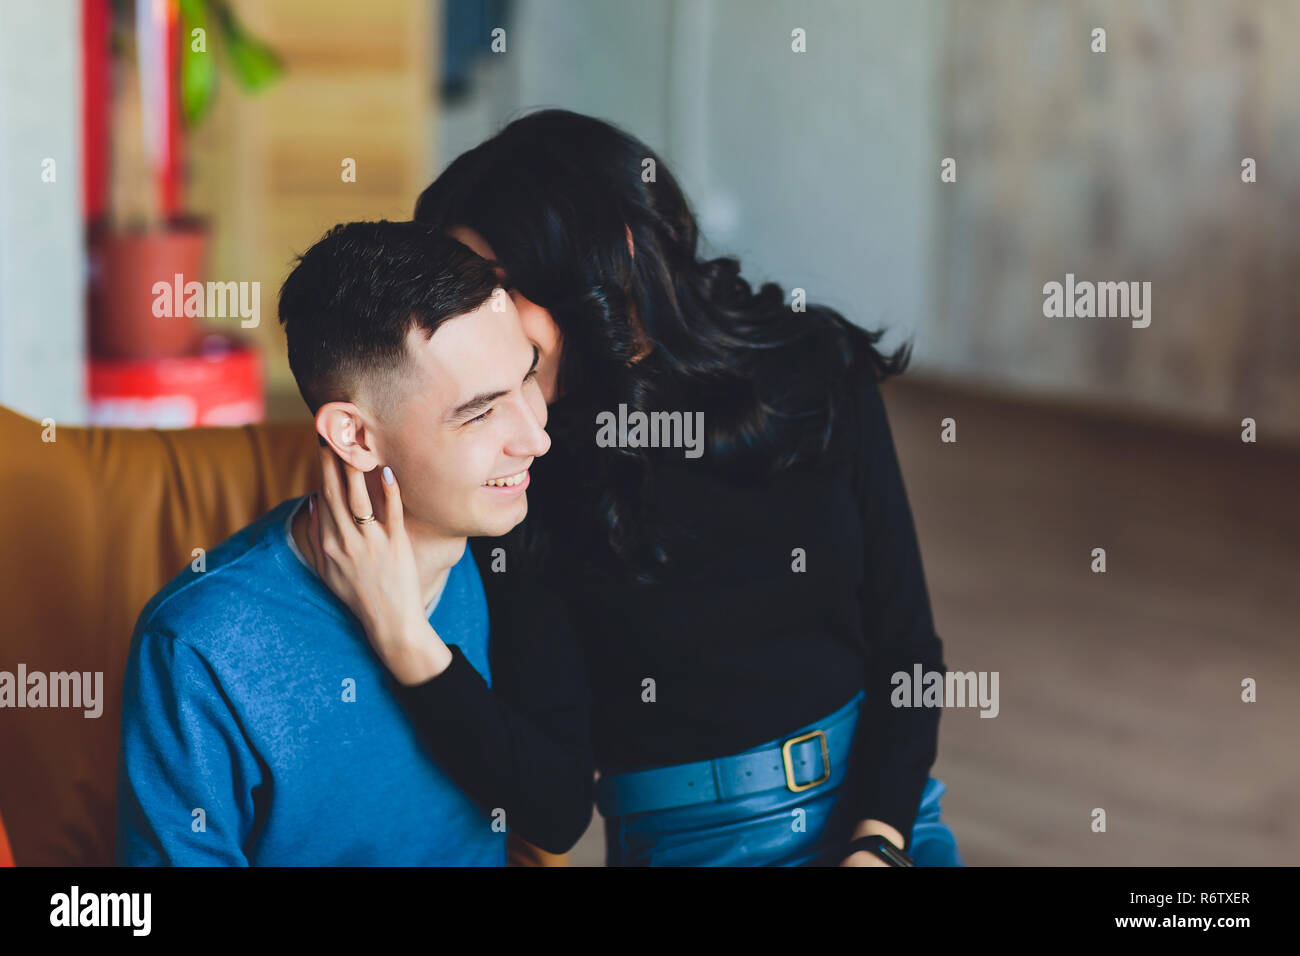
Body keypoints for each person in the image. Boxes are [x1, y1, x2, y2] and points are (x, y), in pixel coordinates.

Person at [403, 108, 966, 866]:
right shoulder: (524, 467)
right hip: (690, 843)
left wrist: (880, 845)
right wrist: (404, 638)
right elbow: (555, 805)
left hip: (884, 819)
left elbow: (908, 649)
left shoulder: (813, 367)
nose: (483, 326)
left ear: (613, 255)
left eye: (501, 288)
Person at [116, 220, 592, 865]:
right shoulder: (200, 645)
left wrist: (406, 638)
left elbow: (560, 814)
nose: (535, 437)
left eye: (527, 379)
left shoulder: (506, 542)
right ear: (355, 438)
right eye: (481, 411)